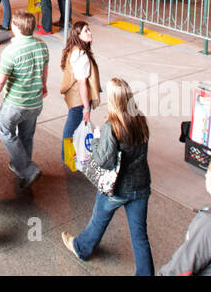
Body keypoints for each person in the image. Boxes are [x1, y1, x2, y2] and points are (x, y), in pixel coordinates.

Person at [62, 76, 154, 274]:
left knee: (99, 220)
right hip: (141, 186)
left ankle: (81, 248)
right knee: (140, 236)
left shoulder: (112, 127)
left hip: (117, 188)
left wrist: (96, 141)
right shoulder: (140, 120)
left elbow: (105, 160)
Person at [0, 11, 50, 189]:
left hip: (16, 102)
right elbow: (44, 69)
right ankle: (21, 166)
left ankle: (28, 169)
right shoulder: (41, 46)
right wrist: (43, 85)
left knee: (4, 128)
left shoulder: (11, 51)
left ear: (16, 27)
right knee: (27, 135)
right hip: (35, 102)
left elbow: (1, 80)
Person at [60, 19, 101, 167]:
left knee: (73, 125)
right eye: (86, 31)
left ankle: (69, 156)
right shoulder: (81, 56)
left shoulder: (74, 49)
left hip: (75, 97)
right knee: (72, 127)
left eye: (89, 30)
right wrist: (86, 107)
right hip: (79, 99)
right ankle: (68, 157)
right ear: (78, 35)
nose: (90, 33)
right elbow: (82, 82)